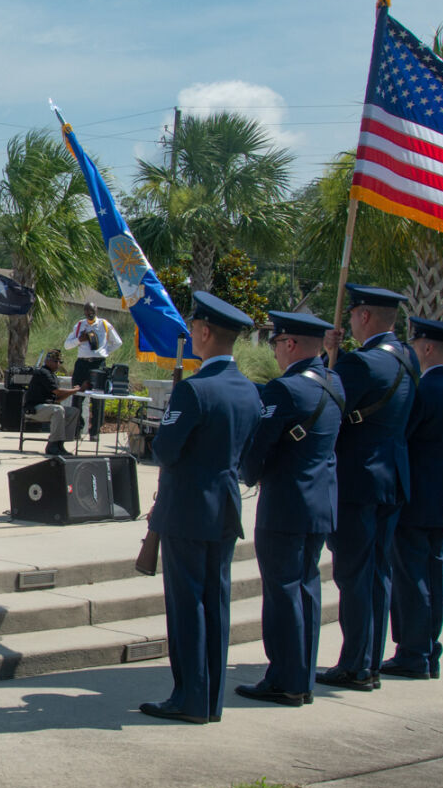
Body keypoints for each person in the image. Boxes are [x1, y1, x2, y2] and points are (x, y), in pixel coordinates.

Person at [138, 291, 261, 725]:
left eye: (194, 328)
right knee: (217, 603)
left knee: (187, 605)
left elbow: (166, 451)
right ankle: (210, 699)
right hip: (224, 509)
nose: (192, 334)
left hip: (187, 510)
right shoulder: (249, 390)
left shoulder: (195, 390)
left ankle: (189, 696)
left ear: (205, 333)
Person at [237, 310, 342, 707]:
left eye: (277, 342)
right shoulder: (334, 382)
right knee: (307, 589)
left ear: (291, 344)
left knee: (282, 592)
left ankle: (285, 678)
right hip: (319, 503)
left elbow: (258, 447)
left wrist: (250, 474)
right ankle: (302, 676)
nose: (275, 350)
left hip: (285, 503)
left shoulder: (286, 390)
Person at [319, 283, 419, 692]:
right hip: (392, 475)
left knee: (355, 574)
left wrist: (331, 359)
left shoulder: (361, 365)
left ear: (362, 316)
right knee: (378, 573)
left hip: (358, 480)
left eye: (353, 316)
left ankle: (356, 663)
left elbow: (329, 406)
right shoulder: (408, 358)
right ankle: (370, 660)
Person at [384, 316, 443, 681]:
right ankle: (429, 650)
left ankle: (413, 652)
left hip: (416, 498)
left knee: (412, 578)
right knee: (436, 577)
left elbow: (402, 437)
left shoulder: (423, 392)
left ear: (425, 347)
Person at [64, 302, 122, 439]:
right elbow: (67, 345)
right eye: (87, 310)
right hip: (82, 364)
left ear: (96, 310)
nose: (90, 312)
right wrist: (80, 339)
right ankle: (77, 430)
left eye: (92, 310)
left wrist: (104, 352)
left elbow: (118, 342)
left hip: (98, 365)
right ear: (84, 311)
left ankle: (95, 432)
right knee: (78, 396)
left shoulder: (104, 324)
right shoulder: (79, 325)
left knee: (97, 400)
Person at [22, 348, 82, 457]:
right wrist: (76, 390)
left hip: (47, 408)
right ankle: (53, 445)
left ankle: (60, 443)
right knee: (58, 410)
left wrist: (73, 391)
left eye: (59, 362)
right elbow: (57, 391)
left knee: (73, 411)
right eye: (56, 361)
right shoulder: (43, 373)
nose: (58, 364)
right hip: (35, 408)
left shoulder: (52, 375)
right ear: (47, 361)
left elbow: (57, 398)